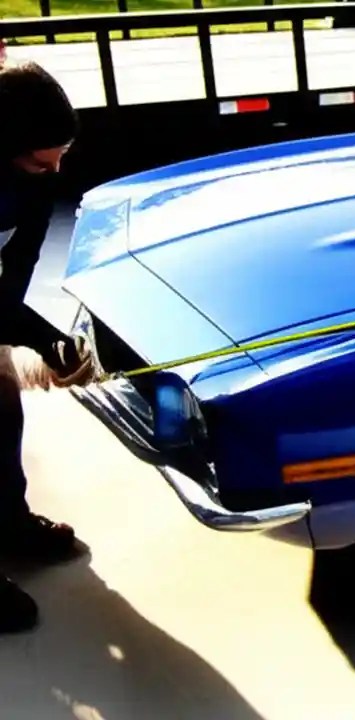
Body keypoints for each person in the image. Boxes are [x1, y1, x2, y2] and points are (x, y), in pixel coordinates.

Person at [0, 59, 93, 635]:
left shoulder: (36, 177)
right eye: (42, 159)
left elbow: (17, 268)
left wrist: (41, 337)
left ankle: (8, 521)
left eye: (61, 155)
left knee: (2, 403)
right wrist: (40, 336)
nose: (55, 168)